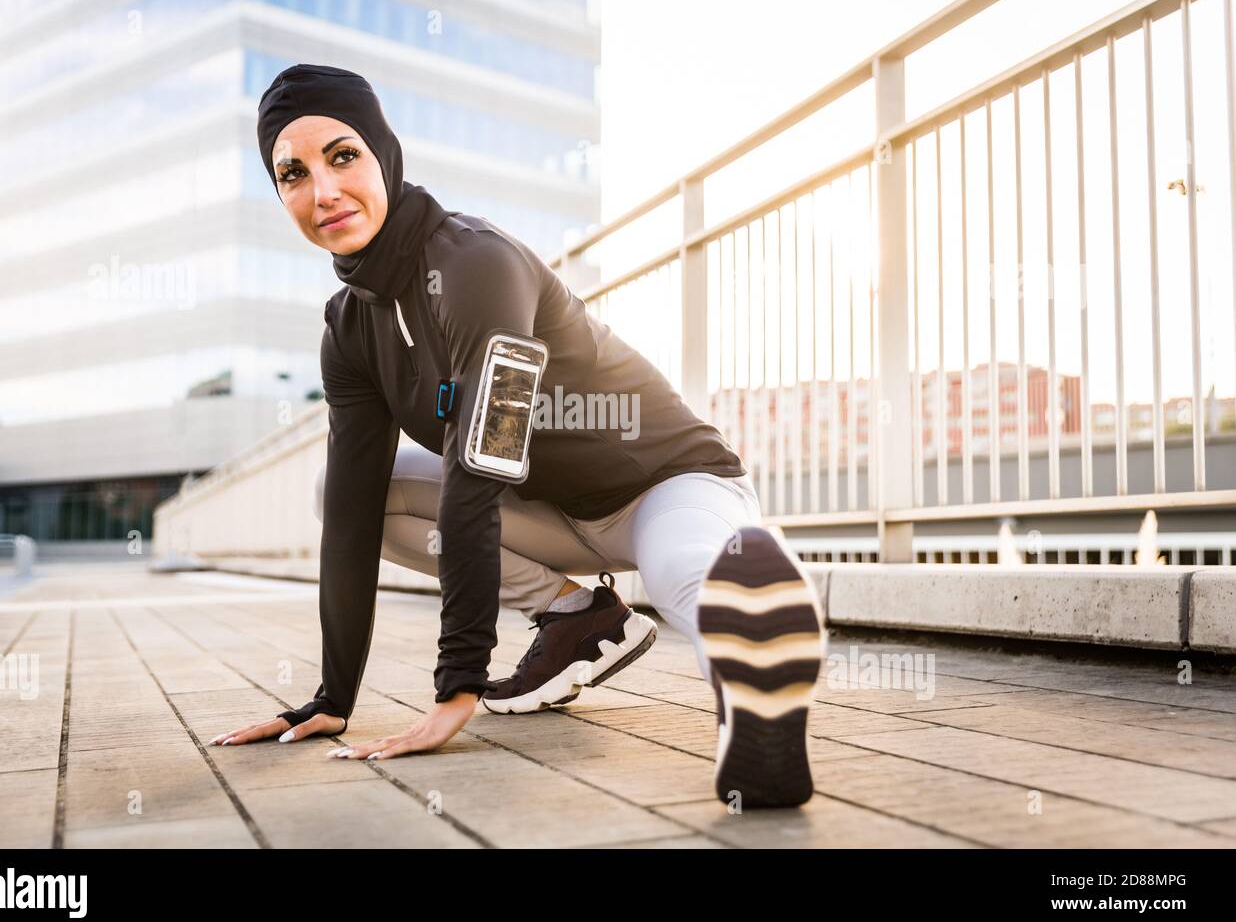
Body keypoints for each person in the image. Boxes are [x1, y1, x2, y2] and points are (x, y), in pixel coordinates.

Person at [210, 63, 826, 807]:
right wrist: (331, 695)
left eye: (343, 156)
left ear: (383, 152)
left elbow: (481, 460)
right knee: (339, 494)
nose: (323, 191)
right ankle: (579, 619)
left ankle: (756, 681)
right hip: (550, 514)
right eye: (292, 174)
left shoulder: (477, 264)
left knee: (683, 572)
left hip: (668, 485)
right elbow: (349, 511)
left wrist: (456, 686)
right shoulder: (348, 331)